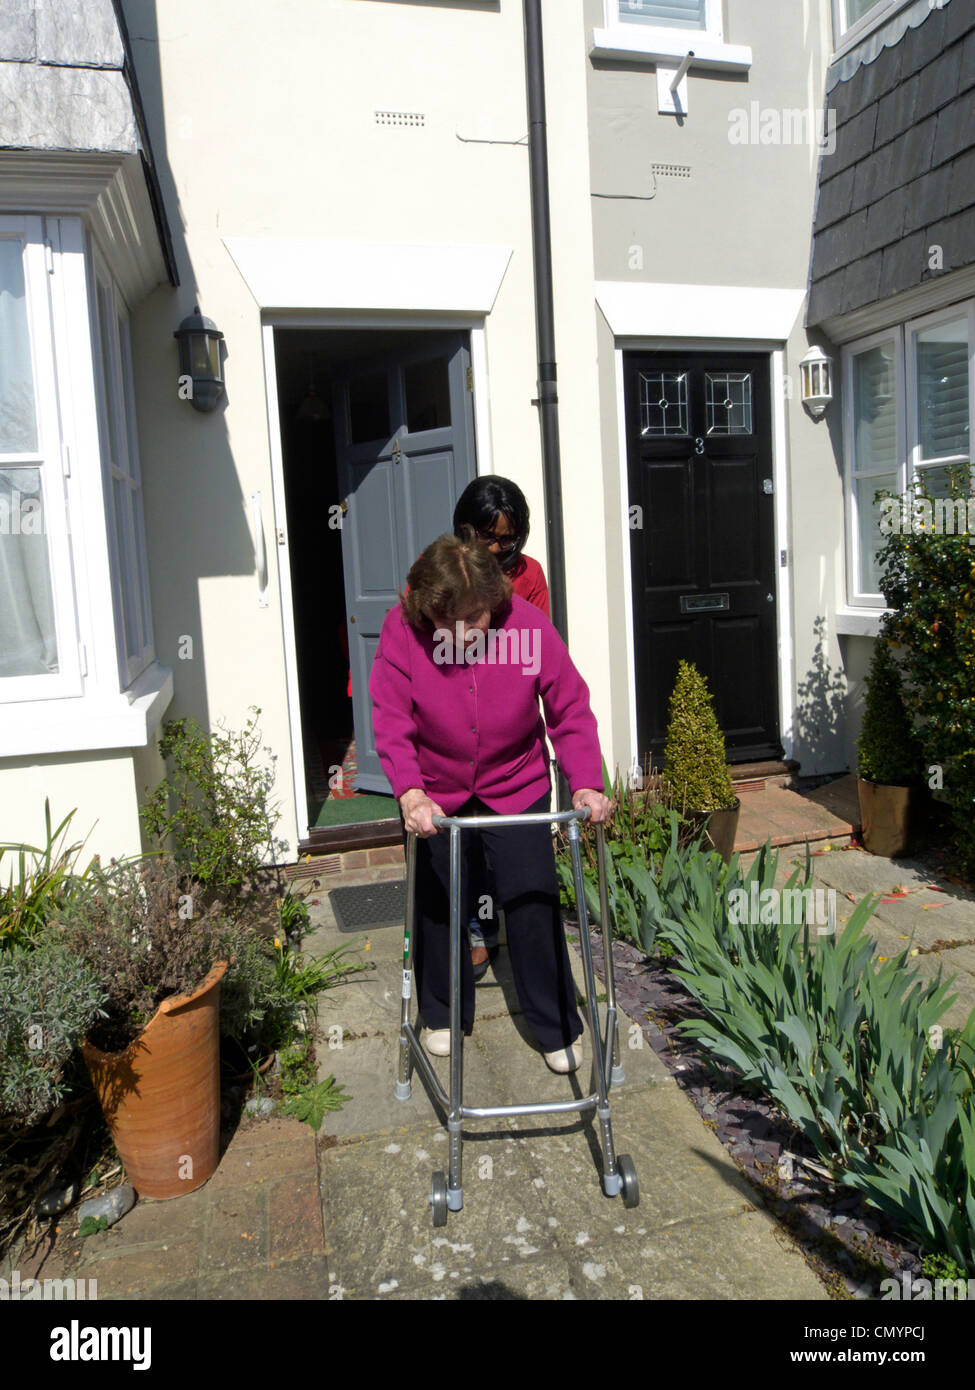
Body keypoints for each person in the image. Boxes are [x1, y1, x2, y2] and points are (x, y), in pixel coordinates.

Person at [369, 533, 612, 1073]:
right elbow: (390, 714)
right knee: (439, 903)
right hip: (436, 789)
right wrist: (409, 789)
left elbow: (569, 707)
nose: (462, 634)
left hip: (516, 782)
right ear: (426, 609)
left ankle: (554, 1025)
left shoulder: (525, 625)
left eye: (474, 619)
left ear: (492, 601)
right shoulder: (402, 630)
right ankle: (444, 1015)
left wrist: (586, 782)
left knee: (531, 901)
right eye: (448, 623)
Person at [451, 477, 549, 976]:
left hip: (509, 744)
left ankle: (501, 928)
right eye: (485, 537)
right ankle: (472, 929)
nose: (495, 548)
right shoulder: (443, 572)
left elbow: (535, 651)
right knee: (462, 851)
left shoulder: (530, 576)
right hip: (456, 745)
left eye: (505, 539)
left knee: (507, 852)